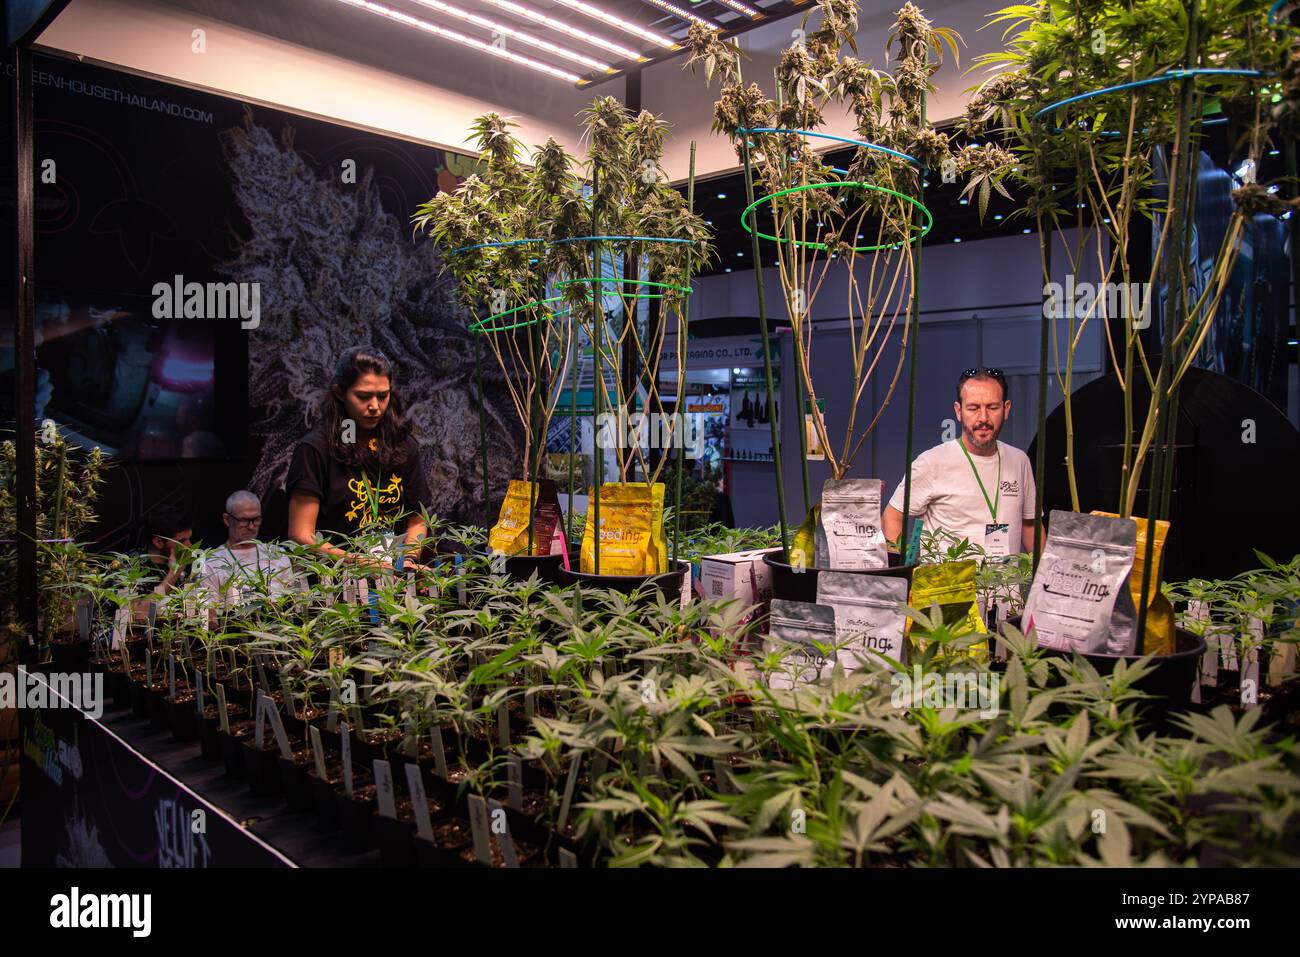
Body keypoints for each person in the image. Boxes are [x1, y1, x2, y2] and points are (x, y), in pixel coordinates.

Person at [285, 347, 430, 569]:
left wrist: (408, 560)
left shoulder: (402, 445)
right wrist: (359, 562)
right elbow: (301, 534)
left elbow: (417, 519)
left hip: (392, 578)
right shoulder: (316, 449)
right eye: (363, 396)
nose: (374, 406)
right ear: (340, 393)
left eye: (383, 396)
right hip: (334, 583)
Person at [882, 368, 1037, 557]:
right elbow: (892, 517)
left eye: (992, 407)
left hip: (1005, 585)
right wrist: (904, 571)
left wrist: (1047, 580)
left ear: (1006, 409)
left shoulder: (1019, 461)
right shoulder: (932, 463)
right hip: (949, 586)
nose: (983, 418)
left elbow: (1030, 525)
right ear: (958, 411)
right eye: (973, 408)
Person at [198, 490, 297, 604]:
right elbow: (209, 615)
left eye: (256, 519)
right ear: (227, 519)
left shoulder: (278, 554)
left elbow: (292, 602)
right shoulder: (212, 562)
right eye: (244, 520)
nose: (251, 526)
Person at [129, 504, 193, 618]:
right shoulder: (130, 565)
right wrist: (174, 573)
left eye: (189, 539)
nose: (189, 546)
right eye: (182, 541)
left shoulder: (186, 563)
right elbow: (138, 614)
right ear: (158, 542)